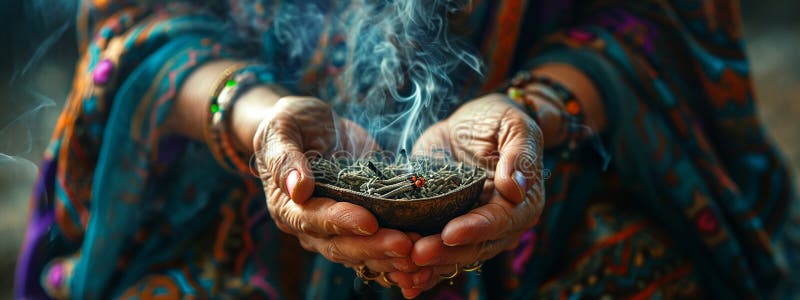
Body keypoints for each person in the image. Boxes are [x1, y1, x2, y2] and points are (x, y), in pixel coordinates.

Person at [14, 0, 798, 299]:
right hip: (231, 208)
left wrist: (534, 111)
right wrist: (258, 121)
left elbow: (657, 24)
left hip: (566, 186)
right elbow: (137, 28)